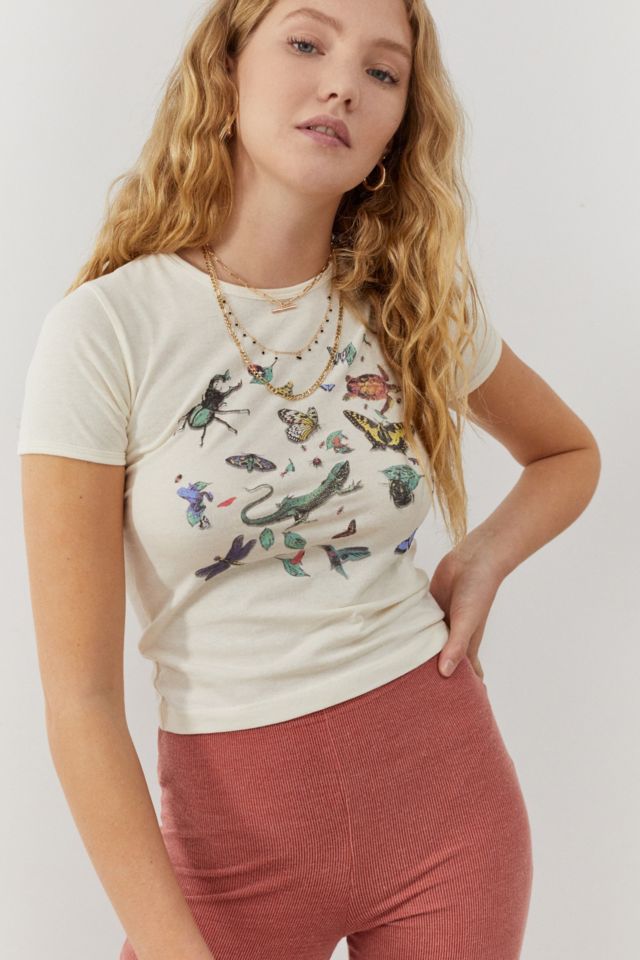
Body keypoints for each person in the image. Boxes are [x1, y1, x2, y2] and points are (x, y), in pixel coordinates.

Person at [17, 1, 601, 958]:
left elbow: (568, 455)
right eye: (305, 42)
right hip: (230, 855)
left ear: (396, 130)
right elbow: (78, 702)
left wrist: (480, 560)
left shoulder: (412, 309)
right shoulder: (107, 331)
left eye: (383, 71)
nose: (341, 85)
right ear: (227, 68)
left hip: (450, 814)